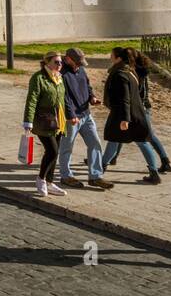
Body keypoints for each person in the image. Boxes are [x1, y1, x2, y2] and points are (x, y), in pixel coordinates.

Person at [101, 46, 161, 183]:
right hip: (136, 113)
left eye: (111, 54)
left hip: (125, 114)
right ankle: (154, 173)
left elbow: (125, 98)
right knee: (137, 141)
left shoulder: (120, 74)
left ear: (119, 58)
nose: (110, 56)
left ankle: (101, 168)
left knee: (115, 139)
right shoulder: (131, 71)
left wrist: (125, 119)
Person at [57, 48, 114, 190]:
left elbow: (87, 85)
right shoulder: (61, 73)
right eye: (77, 62)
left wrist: (92, 97)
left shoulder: (81, 69)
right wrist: (71, 115)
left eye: (80, 63)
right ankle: (66, 176)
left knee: (95, 143)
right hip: (71, 118)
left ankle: (95, 176)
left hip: (85, 114)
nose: (79, 65)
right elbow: (63, 97)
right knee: (66, 147)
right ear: (68, 59)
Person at [22, 51, 68, 195]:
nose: (60, 64)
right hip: (44, 119)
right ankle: (41, 179)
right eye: (56, 62)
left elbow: (63, 99)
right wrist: (28, 121)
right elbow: (32, 99)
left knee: (56, 152)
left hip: (59, 119)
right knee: (52, 151)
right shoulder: (38, 78)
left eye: (61, 62)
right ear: (47, 62)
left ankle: (50, 182)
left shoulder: (59, 77)